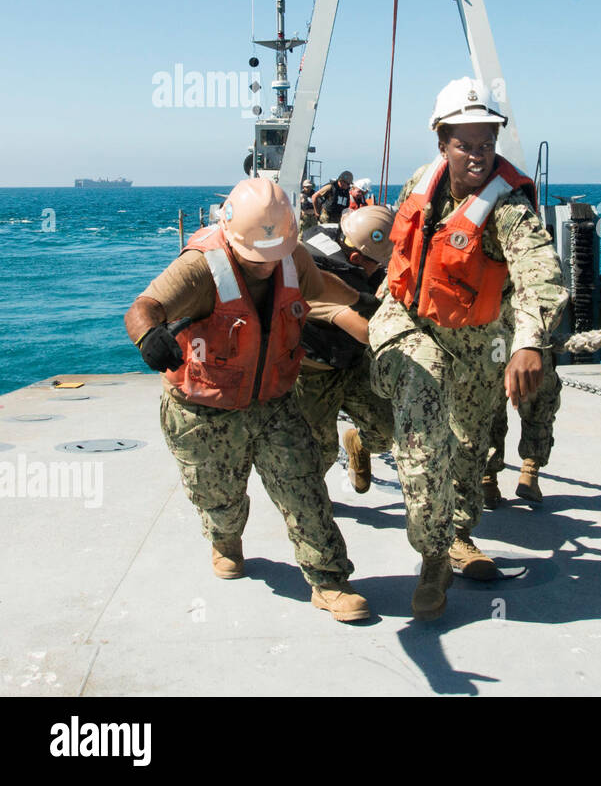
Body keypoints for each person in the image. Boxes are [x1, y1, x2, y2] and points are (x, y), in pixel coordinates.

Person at [123, 177, 374, 621]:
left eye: (274, 256)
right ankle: (225, 539)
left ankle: (329, 579)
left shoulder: (291, 257)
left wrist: (361, 300)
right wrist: (148, 336)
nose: (266, 266)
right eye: (257, 257)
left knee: (305, 491)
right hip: (202, 410)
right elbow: (143, 307)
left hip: (274, 402)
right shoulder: (201, 267)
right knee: (219, 498)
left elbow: (321, 285)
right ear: (234, 237)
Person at [368, 76, 567, 619]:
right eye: (465, 145)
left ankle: (452, 533)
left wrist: (528, 343)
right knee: (424, 436)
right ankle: (433, 558)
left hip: (479, 345)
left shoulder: (508, 209)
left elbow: (541, 276)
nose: (477, 157)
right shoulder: (422, 181)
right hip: (406, 324)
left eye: (486, 145)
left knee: (467, 448)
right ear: (442, 143)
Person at [294, 205, 395, 491]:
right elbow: (364, 330)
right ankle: (313, 502)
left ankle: (357, 445)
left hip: (352, 363)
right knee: (319, 453)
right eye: (377, 263)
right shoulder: (314, 275)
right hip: (313, 373)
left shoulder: (356, 258)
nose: (381, 268)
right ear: (355, 258)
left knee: (385, 432)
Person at [483, 309, 562, 506]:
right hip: (528, 330)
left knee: (488, 404)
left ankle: (487, 481)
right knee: (540, 401)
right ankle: (530, 472)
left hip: (492, 328)